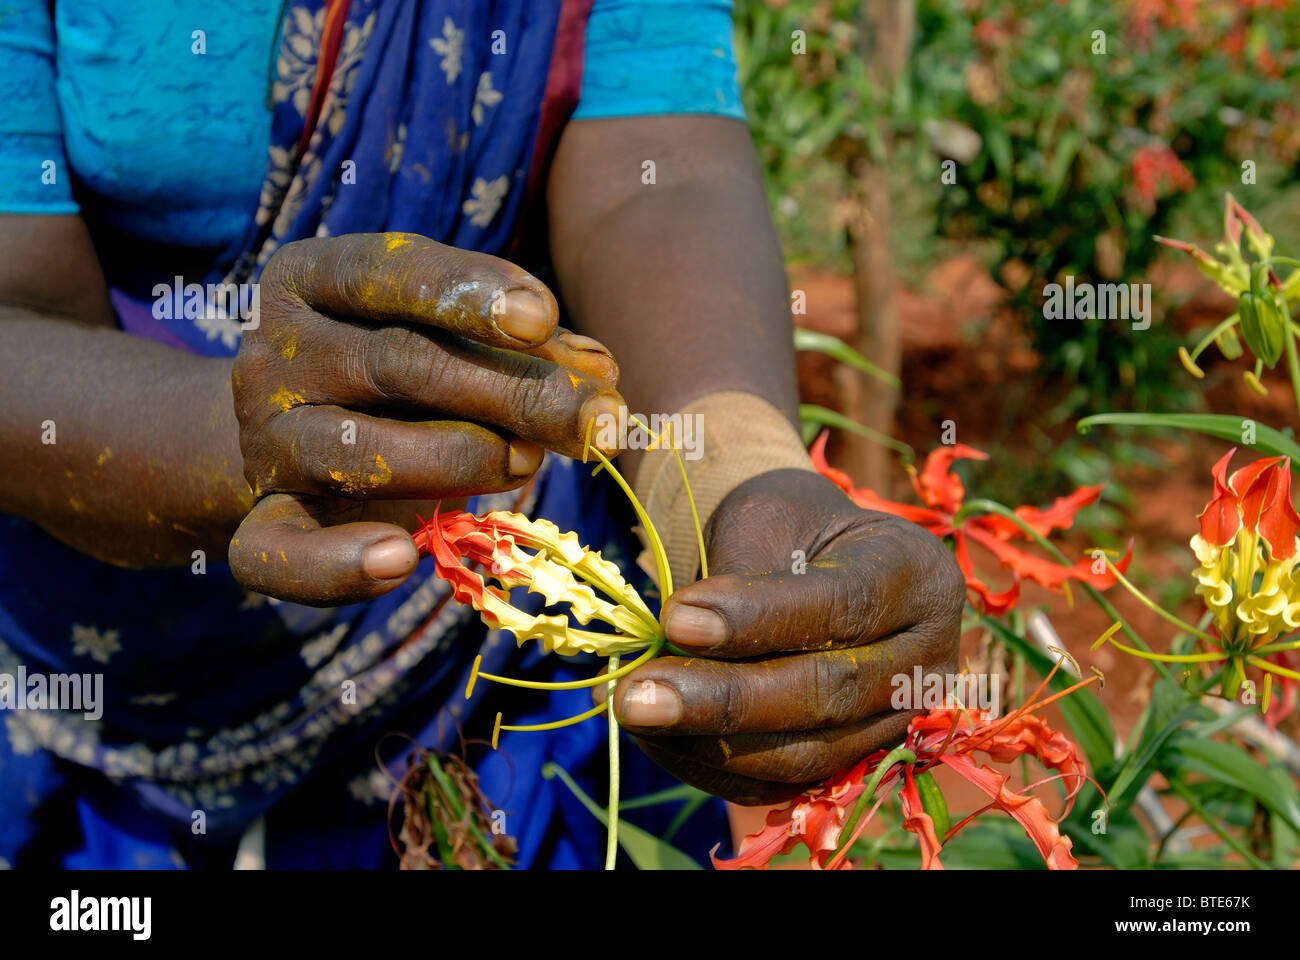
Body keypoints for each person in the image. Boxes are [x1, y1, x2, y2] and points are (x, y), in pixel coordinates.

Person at [0, 0, 963, 869]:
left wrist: (730, 475)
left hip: (503, 663)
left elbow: (655, 157)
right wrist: (237, 437)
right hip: (97, 680)